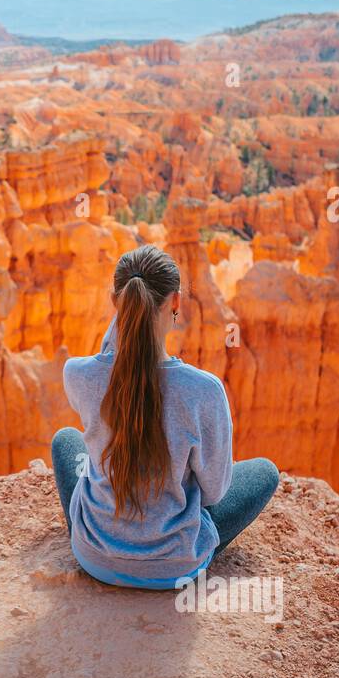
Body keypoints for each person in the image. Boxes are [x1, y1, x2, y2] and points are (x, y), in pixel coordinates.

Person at [51, 244, 278, 589]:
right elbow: (215, 493)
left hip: (95, 557)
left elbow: (110, 359)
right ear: (175, 302)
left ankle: (105, 539)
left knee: (65, 440)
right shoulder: (203, 390)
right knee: (264, 472)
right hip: (173, 568)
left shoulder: (78, 374)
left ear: (116, 303)